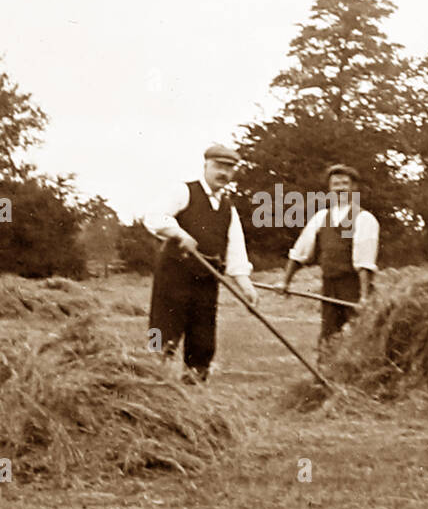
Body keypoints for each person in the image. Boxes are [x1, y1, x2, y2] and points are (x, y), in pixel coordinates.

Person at [143, 144, 258, 383]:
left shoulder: (228, 208)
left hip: (206, 281)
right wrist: (179, 234)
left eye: (229, 168)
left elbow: (236, 251)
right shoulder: (184, 191)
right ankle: (151, 381)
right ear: (205, 166)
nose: (223, 173)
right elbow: (154, 216)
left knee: (203, 342)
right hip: (173, 278)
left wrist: (245, 285)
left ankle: (193, 393)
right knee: (160, 335)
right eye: (218, 167)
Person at [278, 164, 379, 350]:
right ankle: (325, 376)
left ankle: (355, 376)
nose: (339, 188)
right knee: (329, 335)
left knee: (359, 334)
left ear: (354, 187)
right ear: (329, 189)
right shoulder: (321, 217)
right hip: (329, 285)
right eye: (335, 184)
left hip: (354, 286)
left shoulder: (363, 218)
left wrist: (364, 298)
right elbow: (300, 253)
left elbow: (364, 262)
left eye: (344, 183)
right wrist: (285, 282)